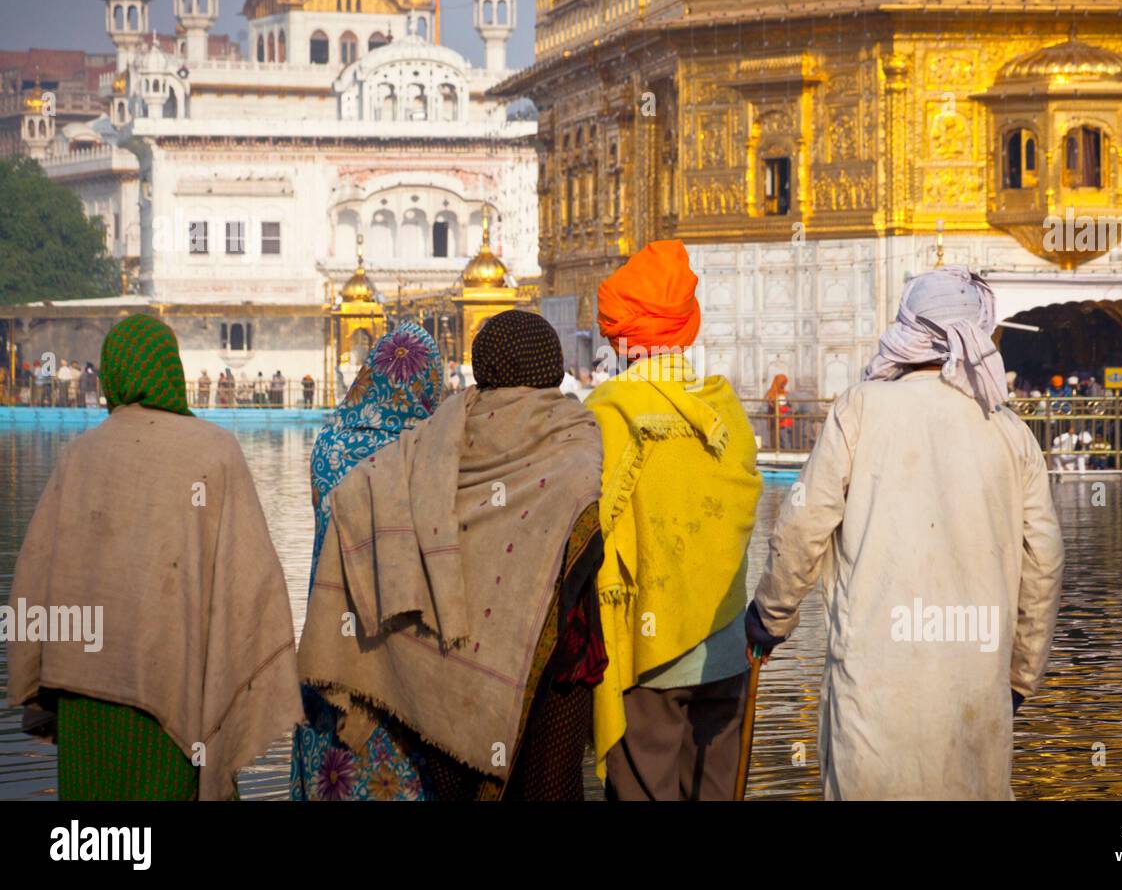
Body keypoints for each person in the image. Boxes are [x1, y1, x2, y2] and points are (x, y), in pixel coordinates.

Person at [746, 266, 1065, 800]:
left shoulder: (861, 409)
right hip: (976, 688)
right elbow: (1045, 562)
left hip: (875, 692)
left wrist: (770, 616)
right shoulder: (1010, 432)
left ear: (907, 330)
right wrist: (1019, 677)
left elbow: (805, 524)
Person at [294, 315, 608, 800]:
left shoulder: (431, 443)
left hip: (445, 674)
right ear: (554, 368)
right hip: (552, 672)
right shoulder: (576, 440)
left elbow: (363, 510)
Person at [6, 315, 301, 799]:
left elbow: (35, 578)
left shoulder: (80, 455)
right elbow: (249, 587)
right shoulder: (214, 451)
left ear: (111, 374)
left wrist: (36, 671)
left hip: (85, 695)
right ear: (171, 369)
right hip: (173, 690)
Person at [587, 239, 763, 801]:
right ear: (685, 323)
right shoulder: (723, 405)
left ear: (623, 334)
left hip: (649, 652)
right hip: (726, 647)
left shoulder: (612, 409)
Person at [764, 373, 795, 450]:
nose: (783, 385)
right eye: (782, 383)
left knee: (786, 440)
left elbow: (791, 405)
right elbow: (770, 404)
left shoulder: (786, 393)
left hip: (787, 421)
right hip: (776, 421)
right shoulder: (771, 393)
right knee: (778, 439)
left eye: (784, 383)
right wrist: (775, 404)